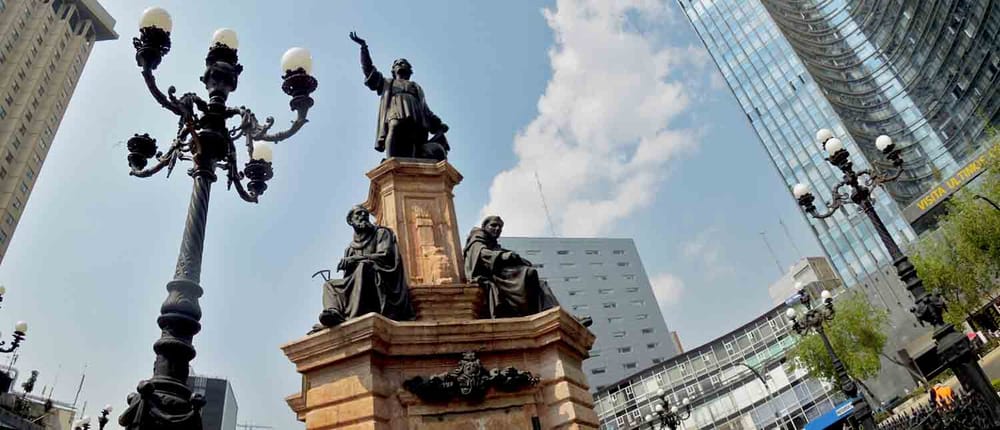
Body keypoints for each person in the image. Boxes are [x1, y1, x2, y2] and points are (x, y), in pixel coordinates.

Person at [313, 206, 415, 332]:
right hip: (360, 283)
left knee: (363, 266)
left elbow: (385, 255)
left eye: (365, 213)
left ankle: (354, 316)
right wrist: (348, 265)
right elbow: (350, 278)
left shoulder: (381, 233)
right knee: (330, 285)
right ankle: (334, 313)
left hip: (381, 279)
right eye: (358, 214)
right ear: (351, 221)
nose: (363, 216)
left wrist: (357, 259)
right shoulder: (350, 248)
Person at [350, 32, 449, 160]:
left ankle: (411, 161)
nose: (401, 64)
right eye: (397, 64)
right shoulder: (387, 83)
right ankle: (391, 160)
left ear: (410, 70)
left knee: (412, 135)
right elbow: (369, 70)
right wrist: (363, 48)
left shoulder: (415, 87)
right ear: (393, 70)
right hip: (395, 109)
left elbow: (425, 109)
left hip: (414, 114)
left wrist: (438, 123)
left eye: (404, 63)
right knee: (395, 126)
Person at [463, 216, 560, 318]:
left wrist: (518, 258)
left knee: (540, 283)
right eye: (493, 225)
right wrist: (506, 256)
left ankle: (550, 311)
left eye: (500, 227)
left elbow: (500, 253)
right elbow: (483, 255)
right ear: (484, 226)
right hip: (489, 274)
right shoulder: (477, 237)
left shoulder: (492, 243)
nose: (497, 229)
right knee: (529, 274)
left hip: (499, 273)